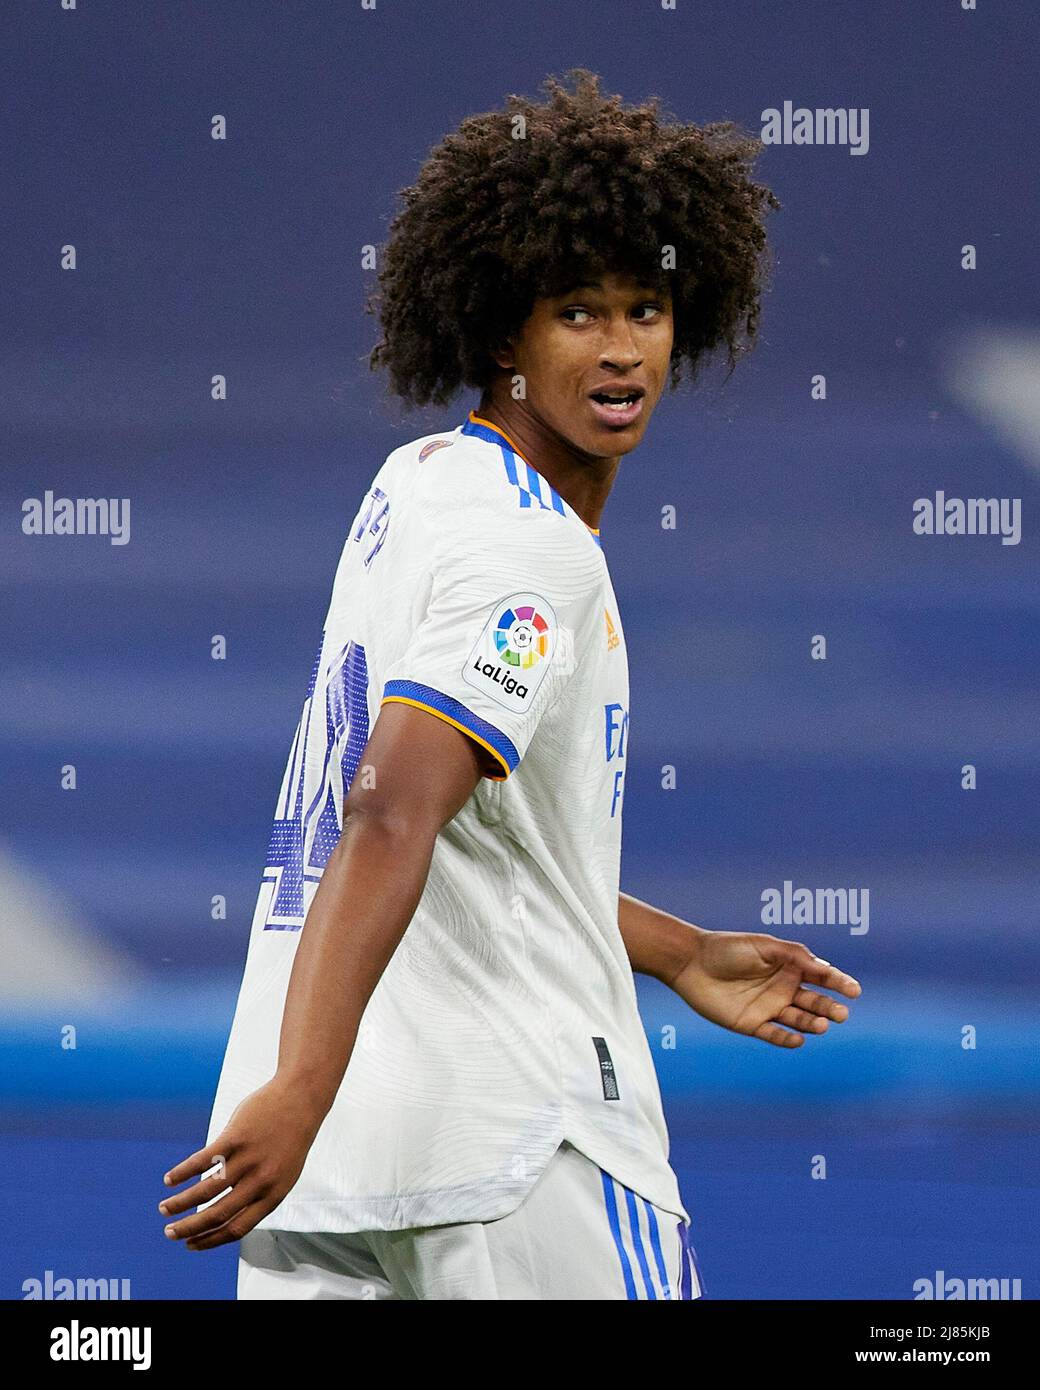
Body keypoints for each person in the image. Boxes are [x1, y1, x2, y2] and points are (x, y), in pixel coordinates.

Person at [157, 69, 860, 1300]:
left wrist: (669, 948)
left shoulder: (414, 485)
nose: (622, 346)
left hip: (339, 1174)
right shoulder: (532, 548)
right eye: (577, 312)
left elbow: (475, 845)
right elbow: (389, 811)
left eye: (645, 307)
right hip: (523, 1150)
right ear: (498, 333)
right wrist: (302, 1089)